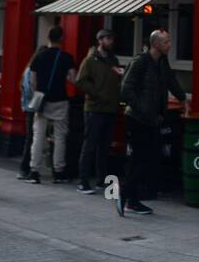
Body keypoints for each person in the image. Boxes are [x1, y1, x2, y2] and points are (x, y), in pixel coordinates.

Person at [117, 29, 186, 216]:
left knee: (147, 158)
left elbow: (171, 81)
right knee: (139, 158)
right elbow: (126, 89)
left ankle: (131, 196)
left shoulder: (162, 62)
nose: (170, 45)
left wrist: (183, 99)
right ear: (155, 44)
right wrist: (144, 110)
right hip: (137, 118)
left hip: (154, 119)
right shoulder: (140, 62)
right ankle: (128, 197)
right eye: (166, 42)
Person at [74, 28, 123, 194]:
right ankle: (83, 181)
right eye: (108, 39)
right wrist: (98, 93)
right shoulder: (90, 61)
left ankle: (102, 180)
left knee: (104, 147)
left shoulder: (113, 60)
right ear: (100, 40)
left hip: (110, 109)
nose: (111, 41)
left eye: (112, 38)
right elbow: (80, 81)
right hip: (94, 109)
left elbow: (116, 80)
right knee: (90, 145)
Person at [29, 26, 75, 184]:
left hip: (42, 101)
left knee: (39, 136)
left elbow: (32, 80)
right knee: (60, 137)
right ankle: (58, 172)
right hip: (60, 100)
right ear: (61, 39)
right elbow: (73, 79)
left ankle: (34, 171)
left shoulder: (39, 56)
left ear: (48, 38)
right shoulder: (67, 57)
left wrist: (39, 92)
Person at [17, 45, 48, 181]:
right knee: (31, 138)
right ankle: (24, 168)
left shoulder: (29, 69)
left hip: (30, 106)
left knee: (32, 137)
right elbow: (30, 90)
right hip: (32, 107)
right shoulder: (31, 70)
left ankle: (27, 167)